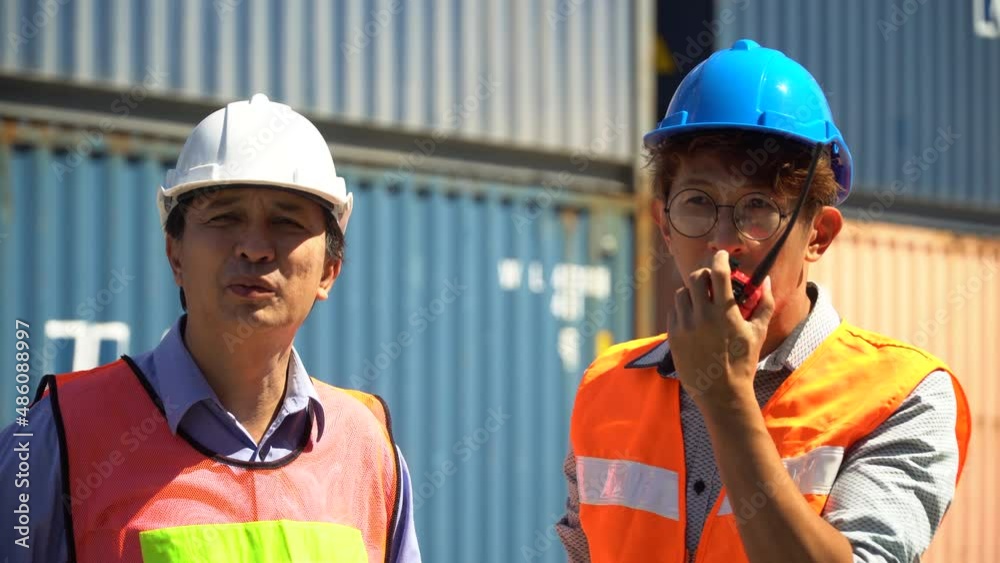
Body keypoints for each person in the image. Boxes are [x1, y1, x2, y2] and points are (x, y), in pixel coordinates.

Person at [556, 39, 970, 563]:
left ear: (819, 235)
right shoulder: (607, 388)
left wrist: (727, 399)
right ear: (664, 225)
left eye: (757, 208)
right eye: (697, 203)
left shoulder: (903, 397)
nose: (722, 241)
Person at [0, 94, 421, 562]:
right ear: (175, 254)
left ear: (329, 270)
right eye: (224, 217)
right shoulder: (59, 440)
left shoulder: (368, 450)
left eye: (286, 221)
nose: (255, 248)